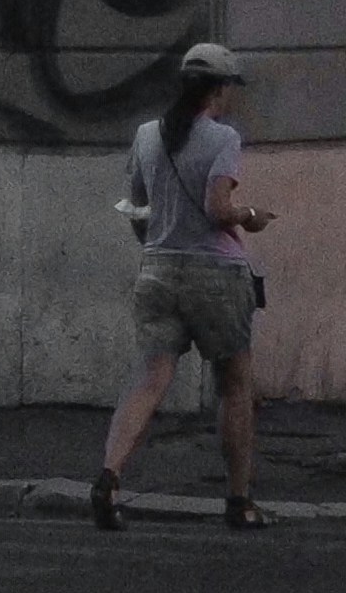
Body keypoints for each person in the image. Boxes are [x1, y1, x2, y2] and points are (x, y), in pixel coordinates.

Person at [91, 40, 273, 531]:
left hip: (157, 270)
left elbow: (136, 209)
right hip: (216, 273)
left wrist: (158, 241)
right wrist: (251, 216)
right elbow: (218, 210)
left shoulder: (147, 135)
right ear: (219, 89)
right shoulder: (223, 139)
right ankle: (239, 502)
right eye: (230, 87)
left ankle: (108, 480)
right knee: (234, 385)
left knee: (149, 381)